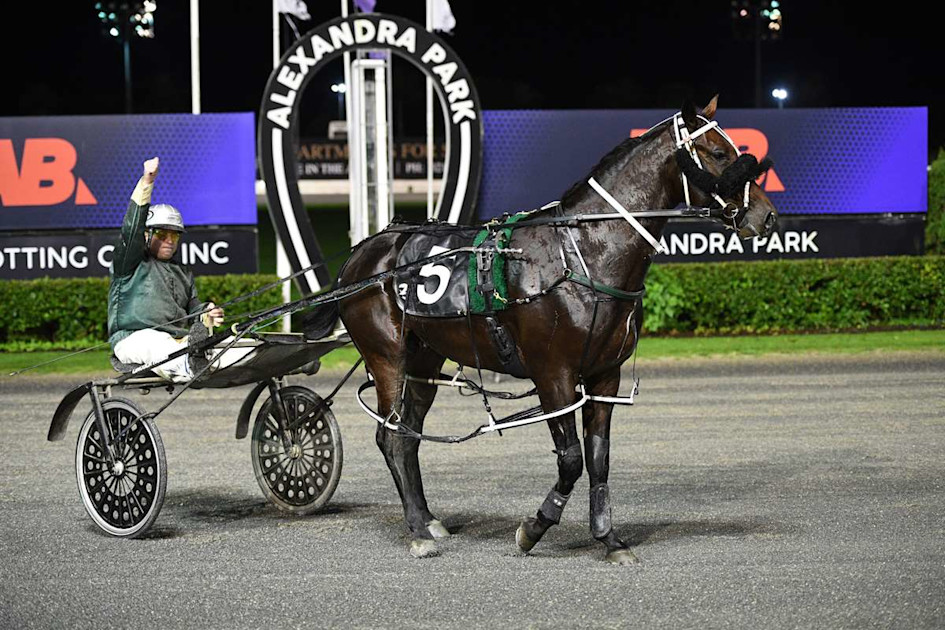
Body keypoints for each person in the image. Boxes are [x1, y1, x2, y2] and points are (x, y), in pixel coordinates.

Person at [107, 156, 237, 381]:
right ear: (146, 235)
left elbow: (193, 310)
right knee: (158, 343)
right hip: (133, 340)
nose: (169, 240)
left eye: (174, 235)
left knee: (230, 343)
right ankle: (191, 364)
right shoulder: (129, 262)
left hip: (180, 341)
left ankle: (270, 360)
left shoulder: (183, 272)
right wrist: (147, 181)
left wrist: (207, 312)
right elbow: (131, 229)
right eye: (161, 234)